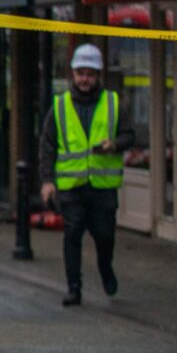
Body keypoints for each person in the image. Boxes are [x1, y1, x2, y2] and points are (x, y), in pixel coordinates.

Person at [40, 43, 133, 307]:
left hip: (102, 186)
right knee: (72, 234)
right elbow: (47, 146)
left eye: (89, 74)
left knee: (104, 235)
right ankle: (74, 288)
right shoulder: (59, 107)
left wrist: (114, 144)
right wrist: (47, 181)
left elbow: (130, 135)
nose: (84, 79)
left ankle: (106, 268)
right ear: (72, 74)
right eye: (80, 73)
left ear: (98, 76)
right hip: (71, 186)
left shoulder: (113, 103)